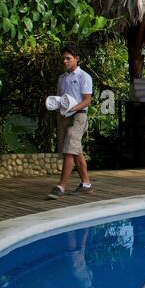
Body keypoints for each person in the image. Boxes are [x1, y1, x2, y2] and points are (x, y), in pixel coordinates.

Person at [49, 43, 93, 198]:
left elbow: (87, 100)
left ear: (76, 59)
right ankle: (86, 183)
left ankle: (60, 187)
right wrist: (57, 107)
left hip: (79, 116)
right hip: (64, 117)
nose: (65, 61)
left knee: (69, 149)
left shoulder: (84, 77)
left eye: (68, 58)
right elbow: (61, 99)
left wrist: (73, 109)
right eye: (63, 59)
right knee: (75, 151)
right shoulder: (62, 79)